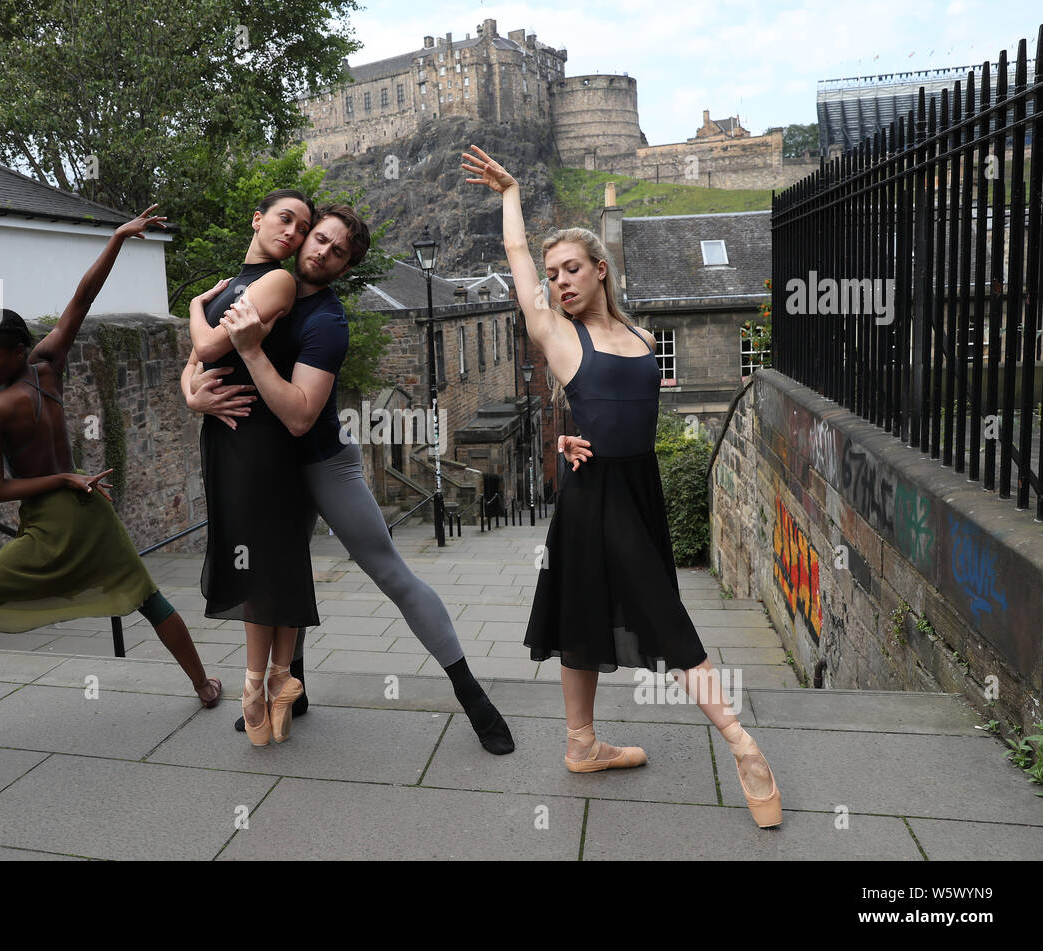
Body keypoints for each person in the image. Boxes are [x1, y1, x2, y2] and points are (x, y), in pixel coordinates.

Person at [462, 145, 781, 825]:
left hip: (640, 490)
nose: (559, 281)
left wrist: (567, 433)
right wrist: (511, 194)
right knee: (668, 617)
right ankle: (741, 743)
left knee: (583, 612)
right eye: (553, 274)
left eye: (572, 268)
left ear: (601, 269)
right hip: (593, 494)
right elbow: (517, 260)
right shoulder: (557, 334)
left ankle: (582, 745)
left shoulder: (638, 334)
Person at [0, 205, 221, 777]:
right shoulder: (45, 368)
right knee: (146, 598)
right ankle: (202, 684)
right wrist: (119, 239)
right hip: (85, 506)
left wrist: (121, 239)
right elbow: (81, 299)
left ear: (18, 351)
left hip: (57, 521)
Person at [194, 202, 514, 755]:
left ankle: (473, 697)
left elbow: (298, 415)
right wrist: (190, 393)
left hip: (321, 464)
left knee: (391, 574)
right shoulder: (268, 286)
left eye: (337, 251)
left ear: (345, 267)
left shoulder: (327, 322)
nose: (320, 251)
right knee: (273, 572)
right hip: (266, 465)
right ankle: (287, 693)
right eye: (318, 238)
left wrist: (249, 351)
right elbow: (205, 355)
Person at [188, 189, 317, 746]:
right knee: (258, 559)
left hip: (263, 439)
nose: (292, 232)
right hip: (225, 436)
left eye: (302, 227)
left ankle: (257, 689)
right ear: (258, 216)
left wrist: (195, 307)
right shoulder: (237, 284)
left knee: (266, 560)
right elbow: (193, 364)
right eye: (284, 218)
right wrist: (192, 399)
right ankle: (277, 686)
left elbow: (211, 348)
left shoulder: (277, 281)